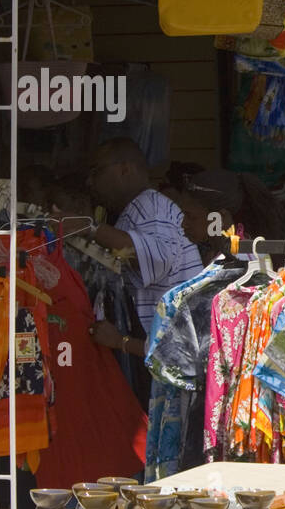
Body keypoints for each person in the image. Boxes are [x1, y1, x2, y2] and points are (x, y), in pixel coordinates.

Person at [80, 137, 205, 354]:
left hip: (177, 357)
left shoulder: (150, 208)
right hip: (167, 354)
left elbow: (158, 260)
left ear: (124, 169)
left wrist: (89, 228)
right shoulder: (139, 208)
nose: (90, 182)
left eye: (96, 171)